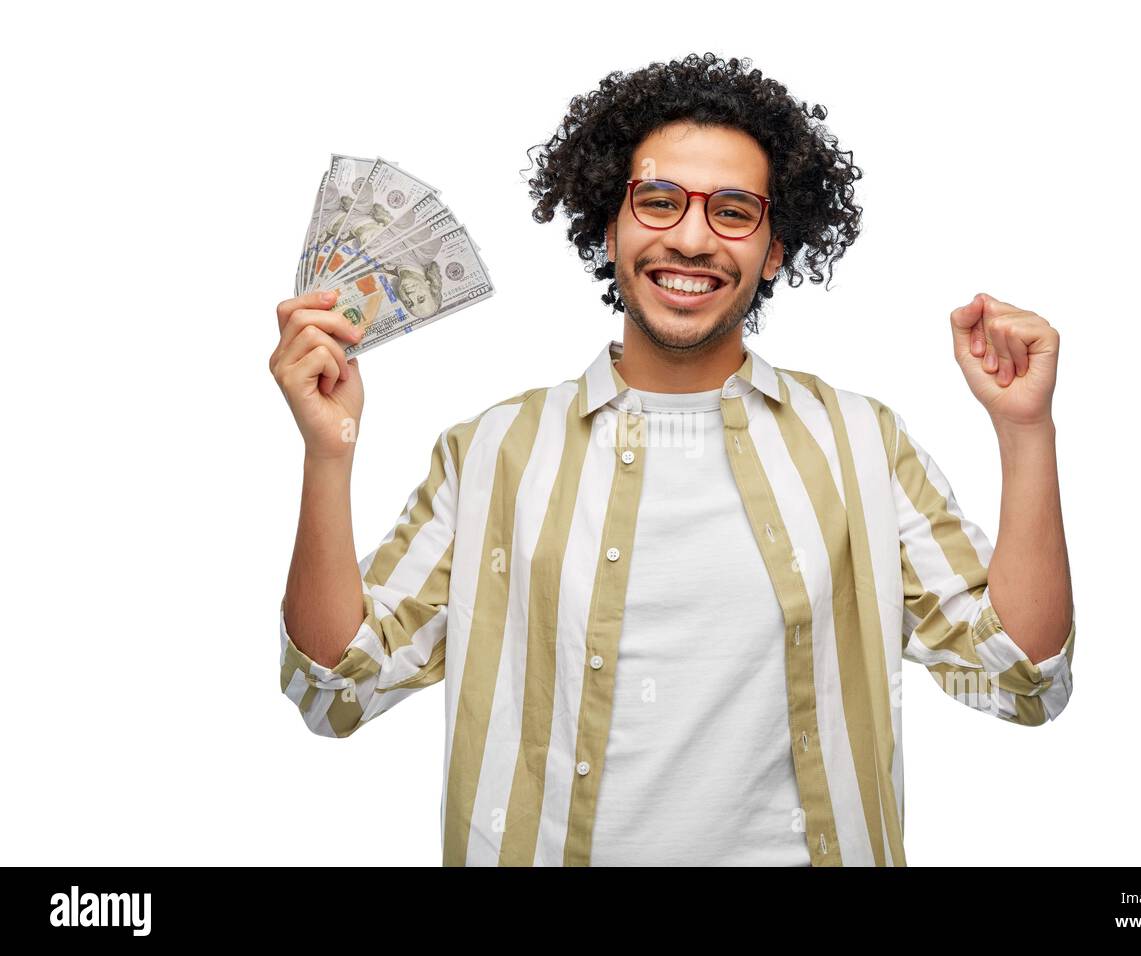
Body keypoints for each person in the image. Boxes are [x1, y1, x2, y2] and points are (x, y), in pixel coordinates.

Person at [267, 52, 1077, 867]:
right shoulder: (490, 454)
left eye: (733, 211)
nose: (690, 239)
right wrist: (327, 456)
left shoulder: (863, 443)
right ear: (609, 226)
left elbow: (1021, 681)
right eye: (657, 201)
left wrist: (1025, 431)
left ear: (773, 250)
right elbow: (334, 688)